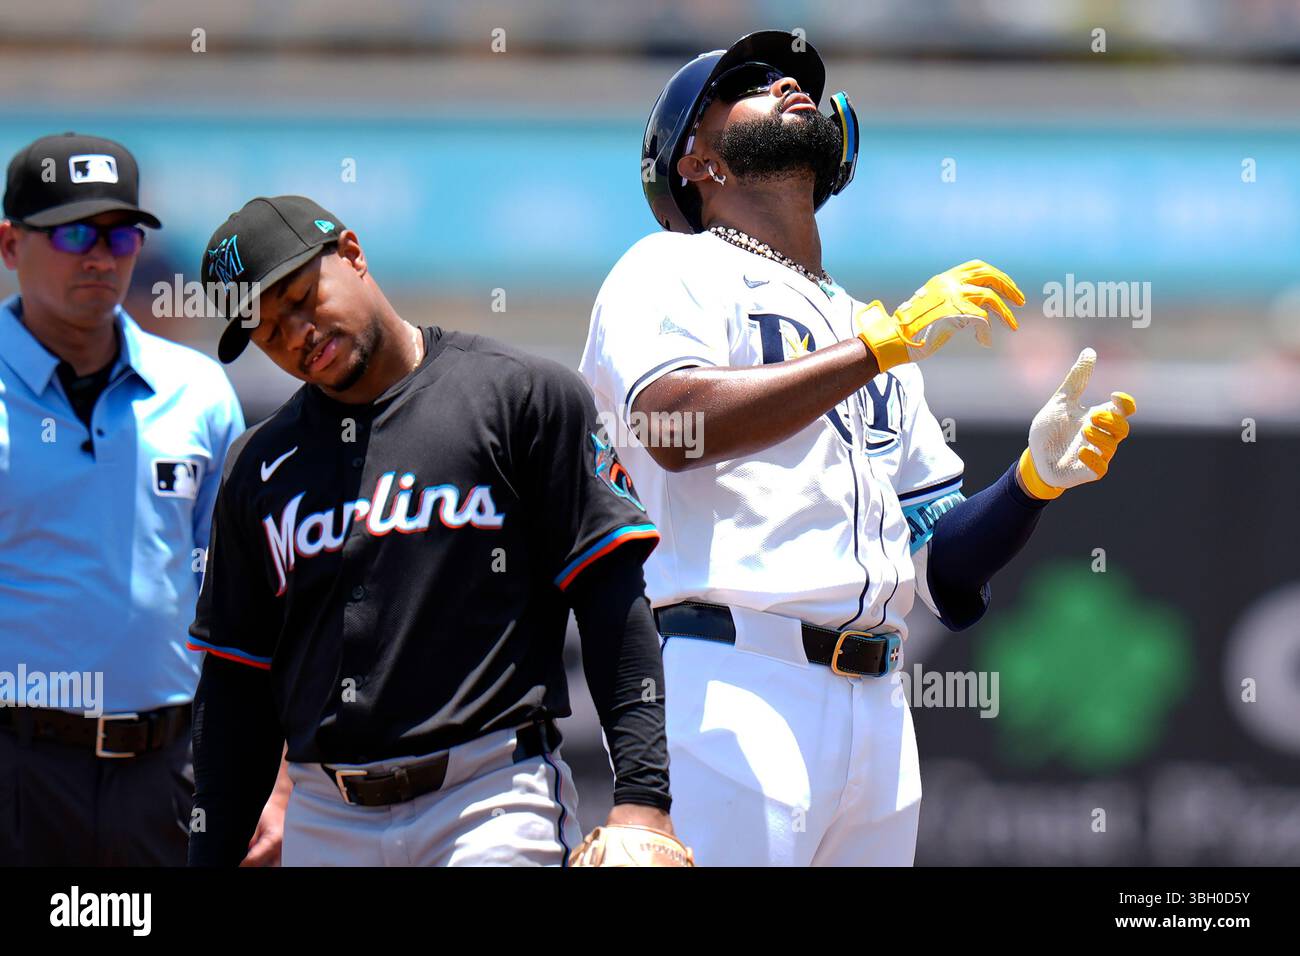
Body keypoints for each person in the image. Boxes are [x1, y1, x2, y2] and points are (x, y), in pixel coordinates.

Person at [580, 31, 1137, 866]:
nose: (784, 84)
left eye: (796, 79)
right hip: (732, 679)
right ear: (694, 160)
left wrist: (1031, 483)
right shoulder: (669, 267)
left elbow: (945, 569)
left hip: (878, 709)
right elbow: (671, 425)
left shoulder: (862, 327)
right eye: (748, 83)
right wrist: (882, 347)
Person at [186, 195, 683, 867]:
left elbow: (611, 603)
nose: (297, 333)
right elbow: (235, 684)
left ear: (353, 254)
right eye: (270, 332)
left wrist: (644, 798)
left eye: (303, 297)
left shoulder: (520, 396)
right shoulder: (258, 468)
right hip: (325, 814)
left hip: (488, 798)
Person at [0, 132, 273, 865]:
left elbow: (242, 596)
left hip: (166, 770)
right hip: (15, 766)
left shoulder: (198, 389)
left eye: (120, 234)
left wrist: (269, 777)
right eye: (73, 232)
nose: (100, 255)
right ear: (8, 245)